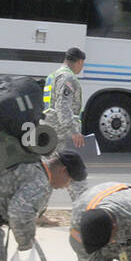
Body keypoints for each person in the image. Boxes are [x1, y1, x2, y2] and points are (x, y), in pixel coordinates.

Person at [43, 47, 88, 213]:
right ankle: (84, 209)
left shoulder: (53, 75)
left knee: (49, 172)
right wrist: (73, 130)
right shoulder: (68, 77)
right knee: (72, 169)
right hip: (61, 133)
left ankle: (39, 212)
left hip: (50, 131)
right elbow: (63, 106)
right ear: (80, 62)